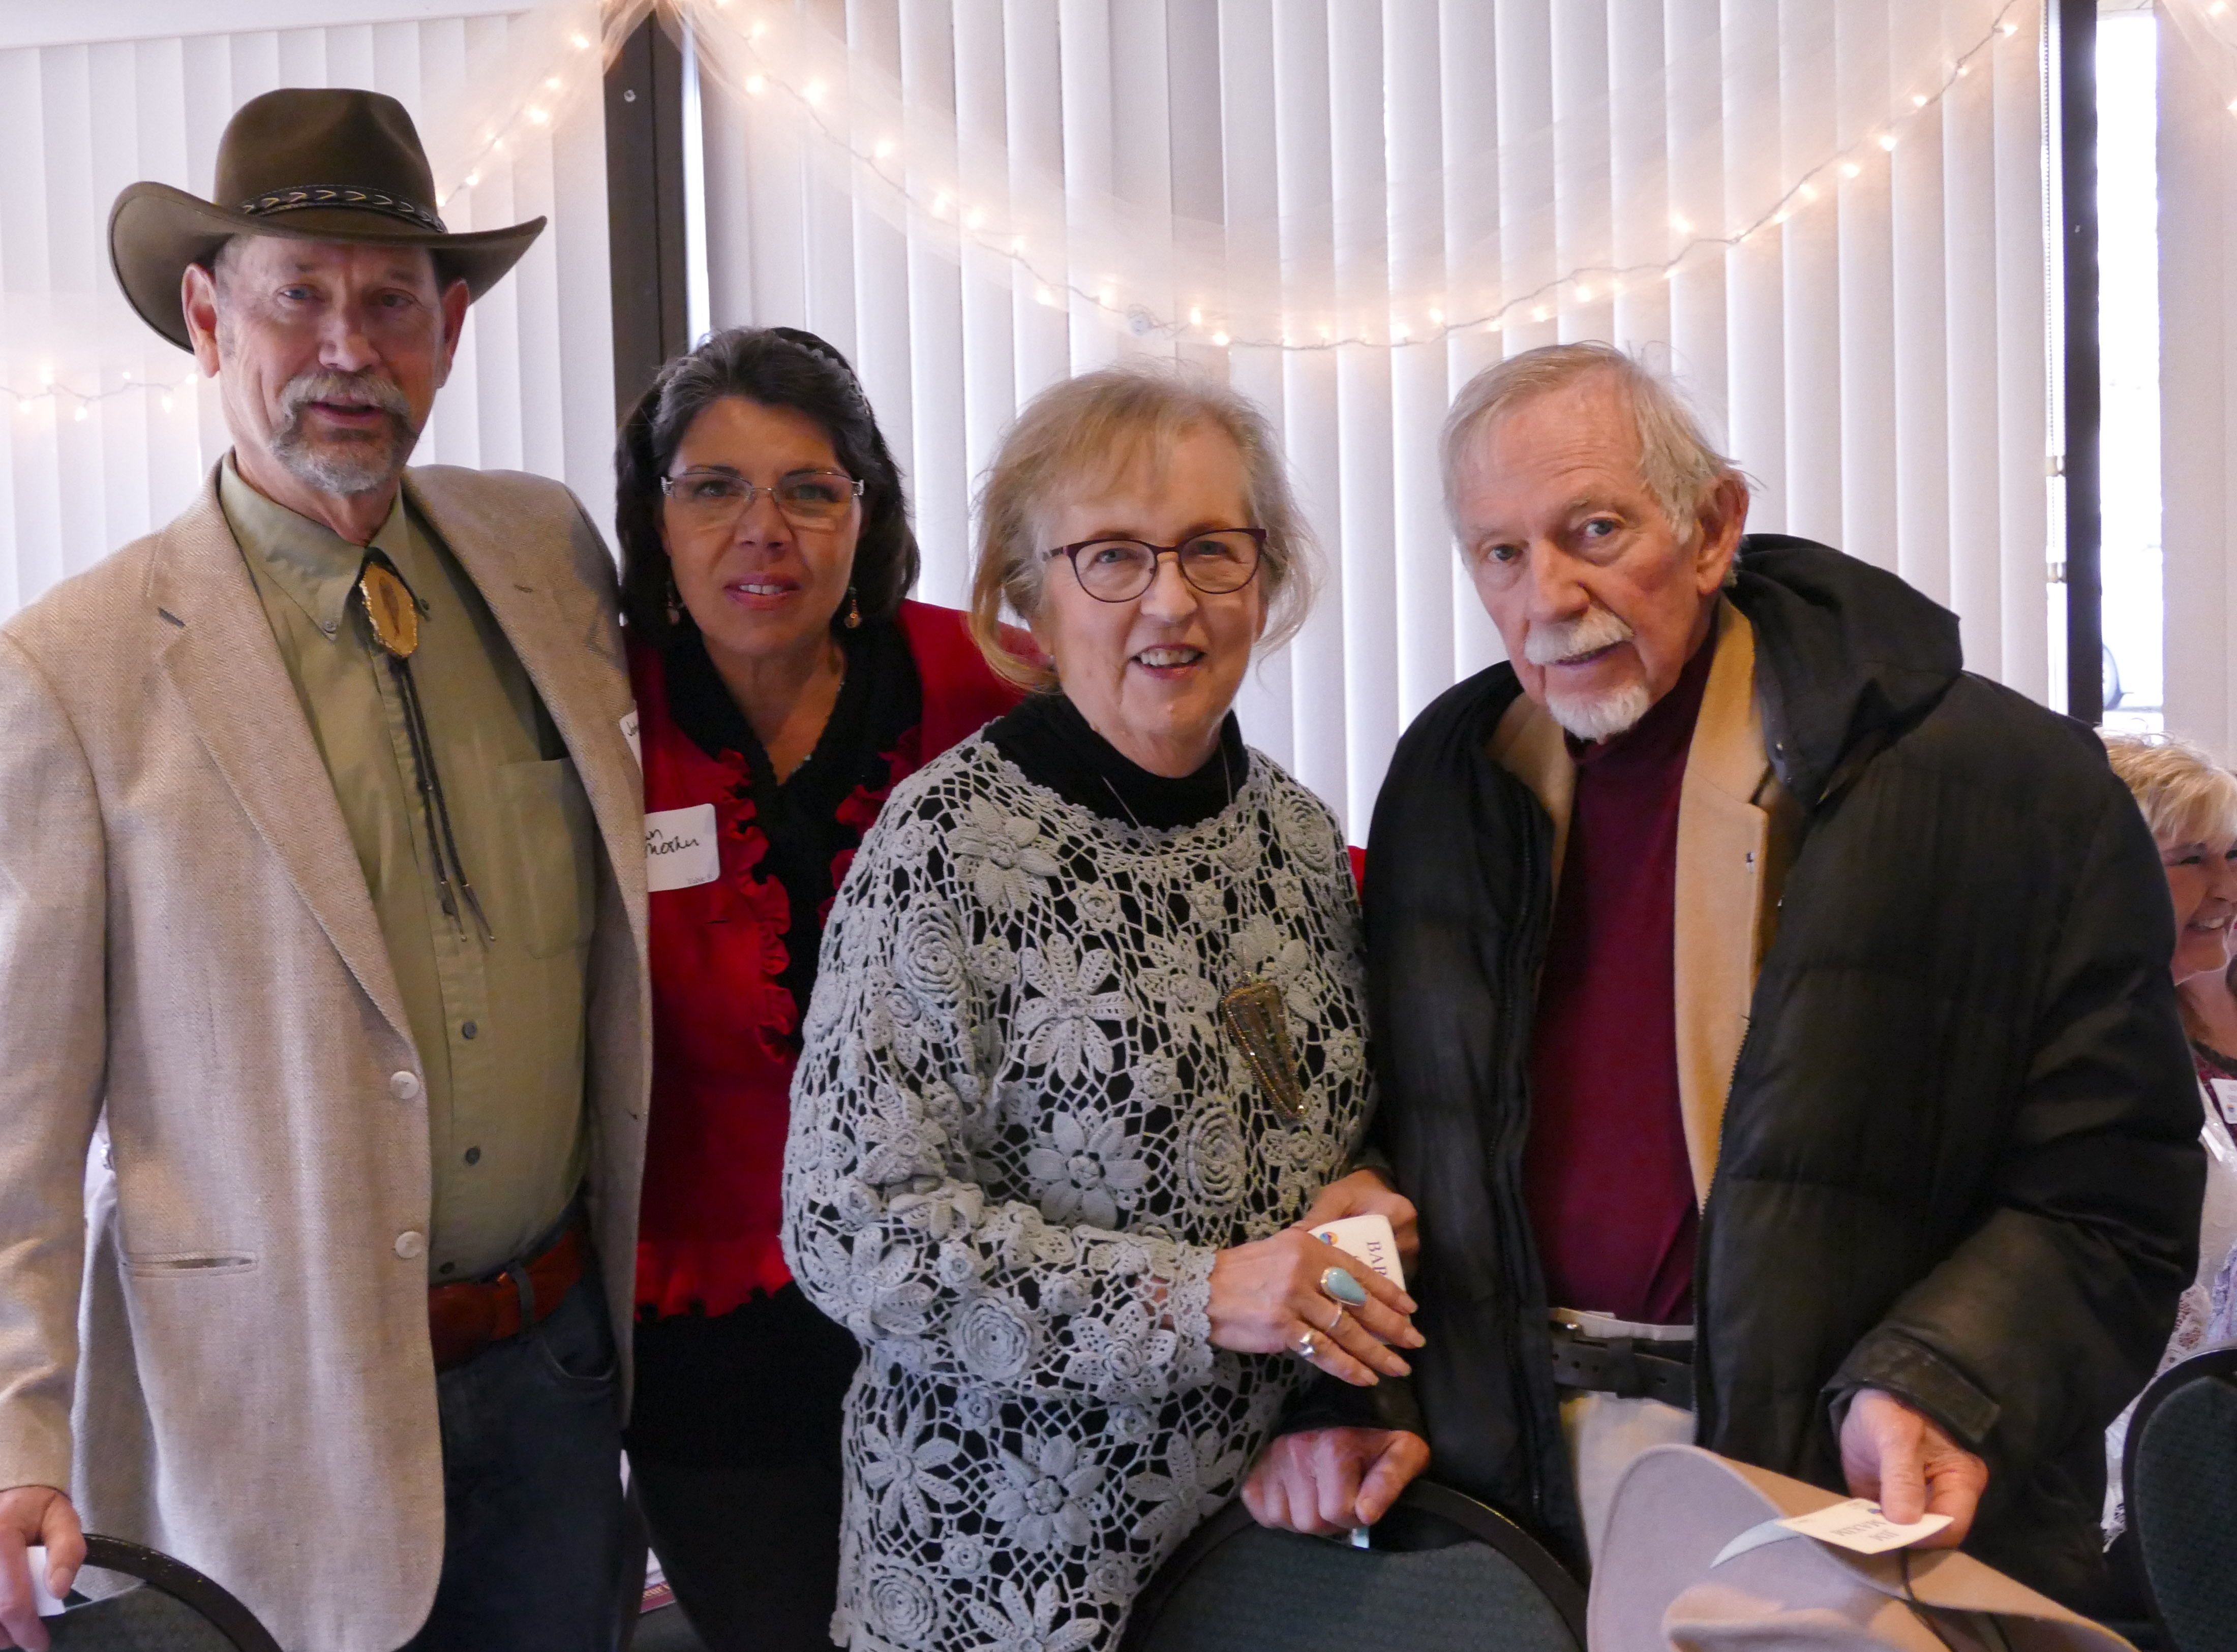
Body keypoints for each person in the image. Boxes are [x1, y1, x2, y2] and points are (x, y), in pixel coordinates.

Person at [1255, 341, 2203, 1610]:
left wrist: (1937, 1379)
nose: (1548, 593)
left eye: (1593, 530)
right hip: (1505, 1509)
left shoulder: (2005, 785)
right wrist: (1352, 1396)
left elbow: (2112, 1191)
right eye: (1500, 551)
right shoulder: (1450, 775)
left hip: (1846, 1502)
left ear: (1712, 526)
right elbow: (1387, 1144)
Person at [0, 88, 648, 1651]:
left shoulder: (552, 561)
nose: (346, 347)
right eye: (296, 294)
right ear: (206, 314)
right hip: (271, 1424)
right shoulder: (68, 675)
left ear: (449, 326)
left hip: (559, 1377)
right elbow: (0, 1137)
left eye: (390, 302)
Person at [780, 364, 1423, 1652]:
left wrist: (1366, 1197)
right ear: (1027, 600)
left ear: (1266, 576)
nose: (1171, 601)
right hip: (997, 1584)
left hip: (1269, 1560)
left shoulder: (1295, 839)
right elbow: (852, 1227)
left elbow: (1331, 1127)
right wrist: (1197, 1298)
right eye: (1113, 557)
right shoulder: (944, 851)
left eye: (1209, 551)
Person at [611, 326, 1026, 1650]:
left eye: (810, 488)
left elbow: (1174, 810)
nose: (762, 529)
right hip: (713, 1344)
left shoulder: (990, 681)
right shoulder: (592, 709)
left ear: (868, 512)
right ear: (657, 515)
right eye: (713, 487)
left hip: (965, 1317)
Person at [2097, 733, 2237, 1537]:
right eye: (2194, 859)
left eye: (2232, 853)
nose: (2226, 886)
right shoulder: (2087, 1054)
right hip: (2144, 1482)